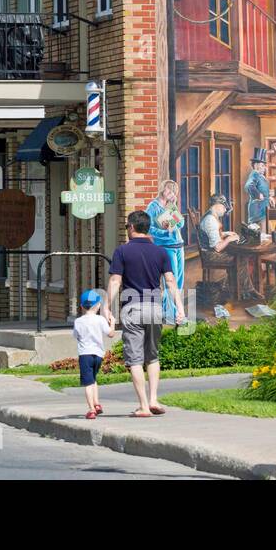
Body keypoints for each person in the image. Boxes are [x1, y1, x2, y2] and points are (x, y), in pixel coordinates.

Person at [108, 211, 184, 418]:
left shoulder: (122, 251)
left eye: (126, 227)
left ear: (131, 227)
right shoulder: (161, 253)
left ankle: (143, 406)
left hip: (133, 309)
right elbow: (170, 282)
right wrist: (180, 308)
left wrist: (106, 306)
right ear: (148, 228)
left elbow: (115, 281)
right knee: (152, 356)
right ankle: (153, 400)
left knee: (134, 359)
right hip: (155, 309)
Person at [145, 180, 185, 324]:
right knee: (170, 281)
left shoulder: (169, 205)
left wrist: (173, 208)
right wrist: (165, 232)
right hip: (166, 247)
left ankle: (175, 312)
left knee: (179, 281)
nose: (170, 193)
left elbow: (181, 223)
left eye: (173, 191)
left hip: (178, 245)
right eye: (169, 190)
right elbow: (148, 228)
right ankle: (170, 315)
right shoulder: (153, 206)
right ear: (163, 189)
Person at [73, 289, 115, 421]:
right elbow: (111, 334)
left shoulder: (78, 321)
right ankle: (97, 403)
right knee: (93, 379)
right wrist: (112, 322)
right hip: (98, 355)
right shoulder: (100, 320)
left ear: (81, 306)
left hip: (85, 354)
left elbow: (76, 336)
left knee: (87, 383)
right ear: (98, 305)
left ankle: (91, 409)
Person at [244, 148, 272, 227]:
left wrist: (269, 197)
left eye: (265, 165)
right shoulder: (254, 174)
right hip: (258, 211)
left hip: (263, 210)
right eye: (262, 165)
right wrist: (258, 194)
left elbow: (263, 190)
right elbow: (248, 186)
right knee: (262, 235)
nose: (265, 168)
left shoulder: (260, 176)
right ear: (256, 165)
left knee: (265, 233)